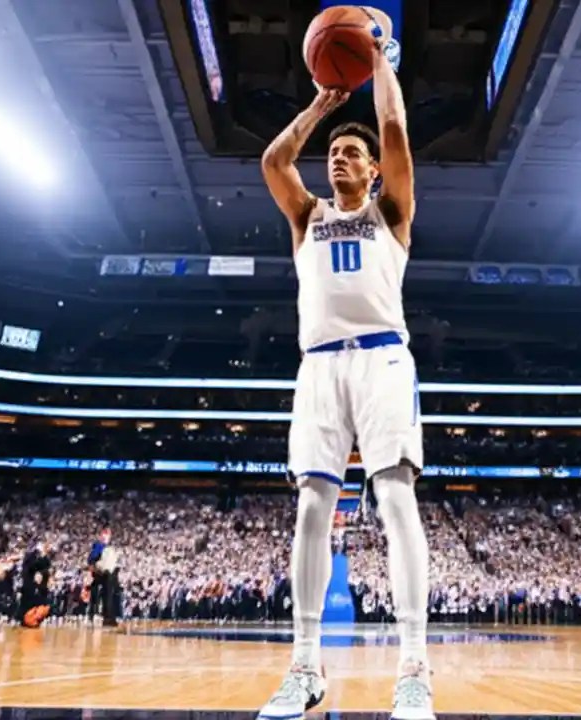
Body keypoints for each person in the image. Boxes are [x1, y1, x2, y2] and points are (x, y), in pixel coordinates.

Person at [256, 17, 433, 720]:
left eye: (351, 153)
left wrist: (383, 59)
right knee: (310, 509)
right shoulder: (308, 217)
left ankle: (414, 670)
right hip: (319, 368)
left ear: (372, 171)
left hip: (384, 358)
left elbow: (394, 130)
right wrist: (321, 108)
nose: (340, 159)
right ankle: (304, 669)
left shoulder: (392, 211)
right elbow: (274, 164)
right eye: (334, 154)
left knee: (394, 500)